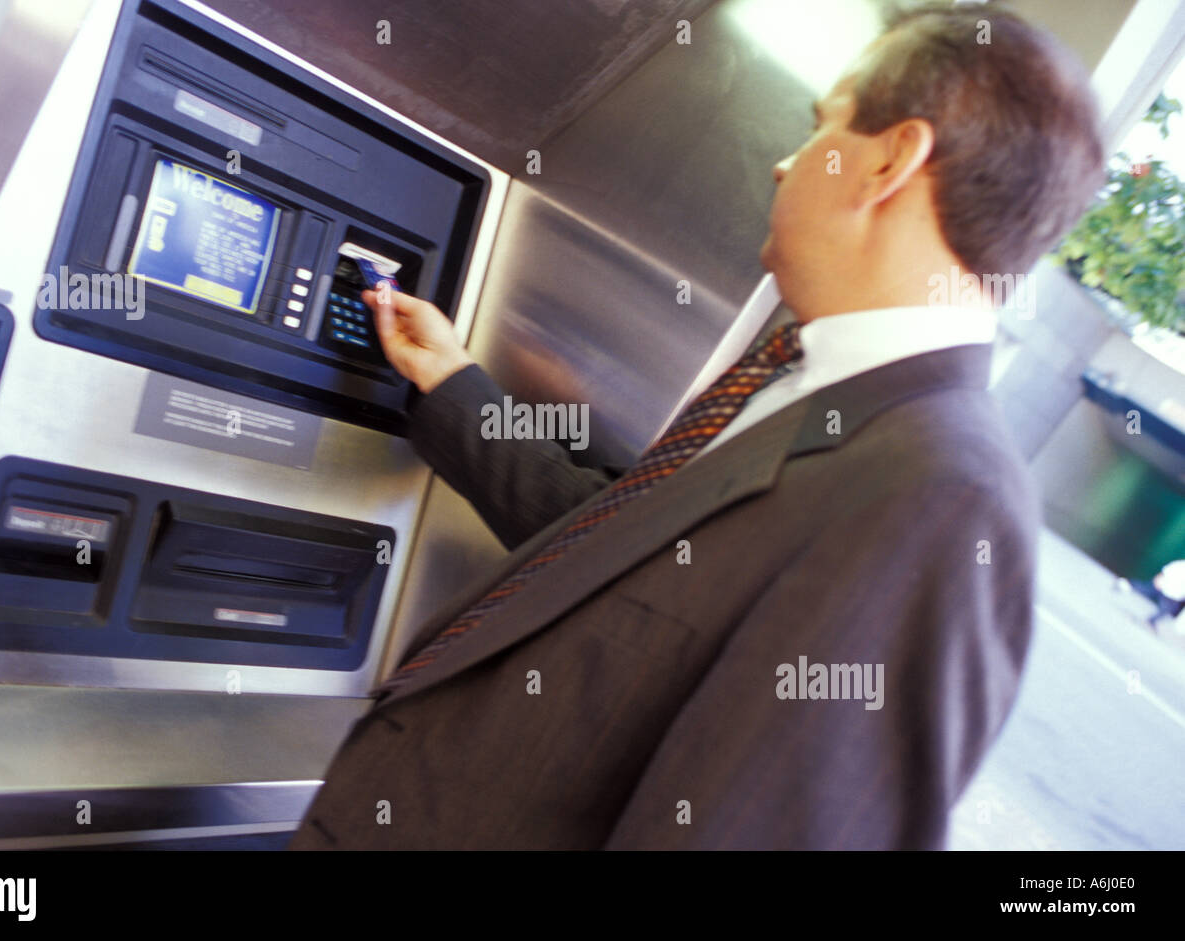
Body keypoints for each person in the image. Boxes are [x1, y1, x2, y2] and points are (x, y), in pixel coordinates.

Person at [290, 2, 1105, 849]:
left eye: (821, 127)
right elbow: (611, 567)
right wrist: (455, 384)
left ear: (890, 162)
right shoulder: (814, 387)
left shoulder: (943, 499)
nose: (787, 165)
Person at [1118, 561, 1185, 633]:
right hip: (1164, 587)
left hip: (1174, 596)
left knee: (1166, 610)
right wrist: (1159, 578)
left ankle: (1151, 621)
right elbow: (1167, 570)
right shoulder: (1181, 565)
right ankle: (1125, 583)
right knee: (1145, 590)